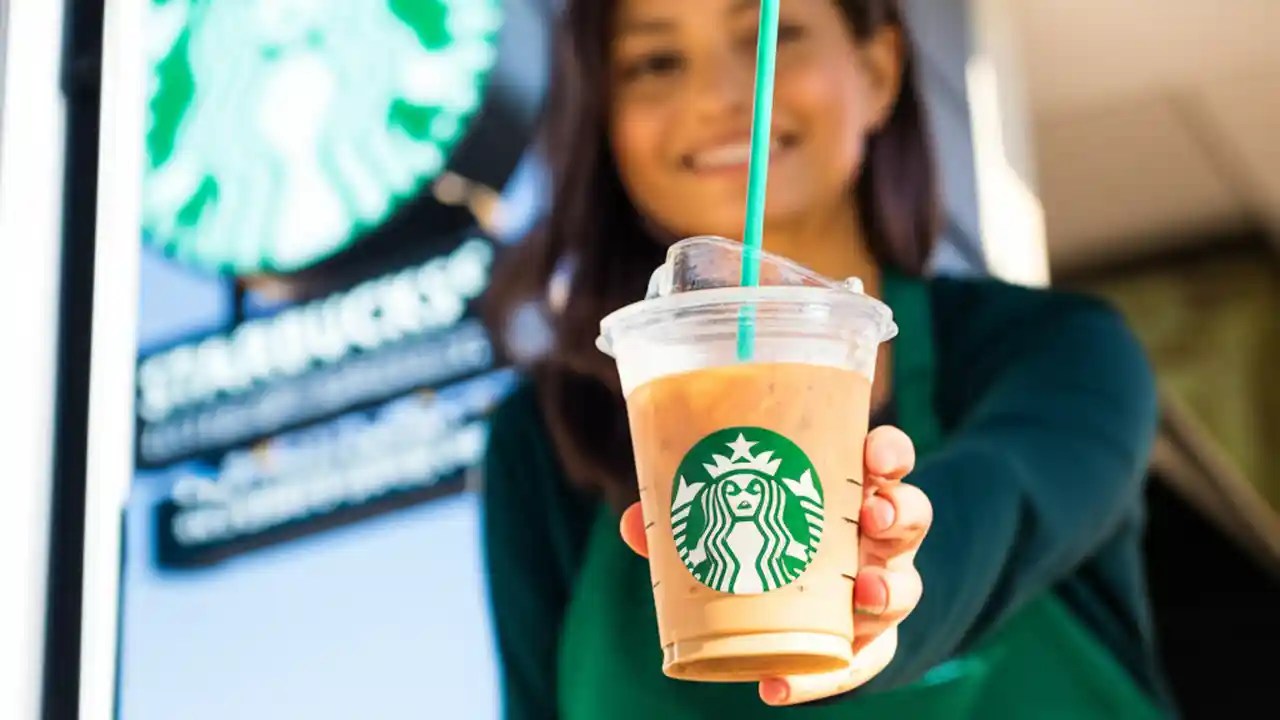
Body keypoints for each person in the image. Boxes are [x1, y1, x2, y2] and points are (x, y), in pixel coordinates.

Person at [480, 0, 1175, 717]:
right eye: (655, 62)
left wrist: (883, 601)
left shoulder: (1060, 349)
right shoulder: (544, 444)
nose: (720, 99)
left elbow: (1002, 502)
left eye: (768, 39)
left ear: (877, 71)